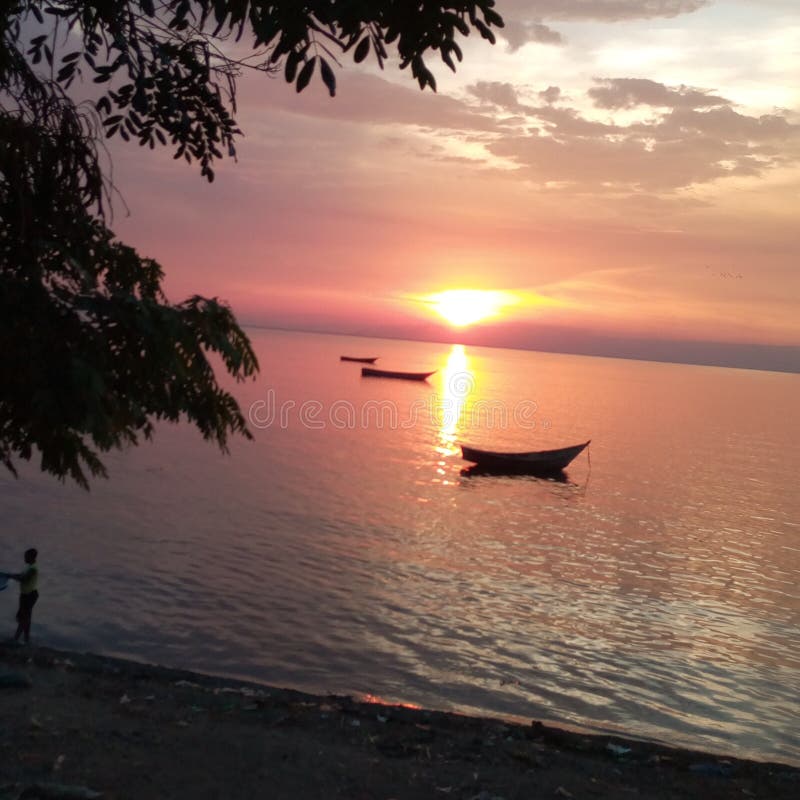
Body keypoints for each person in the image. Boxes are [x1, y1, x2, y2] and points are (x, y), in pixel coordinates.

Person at [4, 548, 39, 644]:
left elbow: (23, 579)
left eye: (26, 556)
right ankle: (26, 640)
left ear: (31, 557)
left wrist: (11, 576)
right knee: (26, 618)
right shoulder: (29, 567)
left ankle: (15, 640)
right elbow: (21, 575)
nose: (24, 558)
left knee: (23, 618)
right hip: (26, 595)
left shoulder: (33, 569)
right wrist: (10, 575)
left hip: (29, 596)